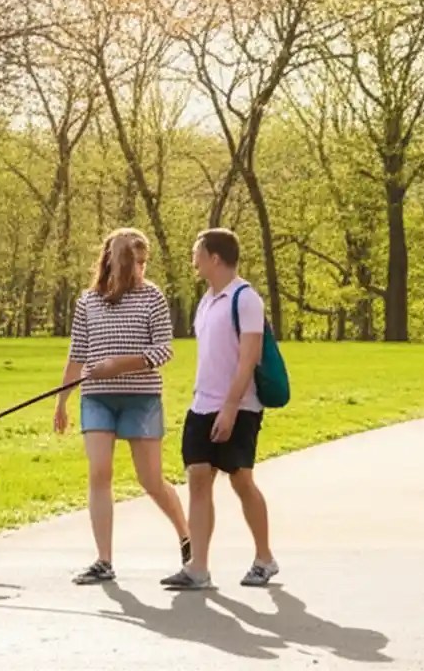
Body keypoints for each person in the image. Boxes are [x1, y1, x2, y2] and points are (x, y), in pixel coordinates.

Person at [53, 227, 192, 584]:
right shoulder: (88, 301)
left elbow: (163, 350)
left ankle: (187, 536)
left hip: (141, 398)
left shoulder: (152, 297)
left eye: (145, 263)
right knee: (99, 473)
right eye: (135, 262)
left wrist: (119, 364)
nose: (140, 270)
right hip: (96, 398)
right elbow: (77, 353)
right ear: (114, 261)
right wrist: (62, 401)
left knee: (151, 480)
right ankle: (104, 560)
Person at [161, 227, 278, 590]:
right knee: (198, 476)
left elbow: (248, 358)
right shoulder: (207, 300)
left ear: (214, 257)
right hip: (202, 404)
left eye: (197, 253)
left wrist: (229, 408)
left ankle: (264, 558)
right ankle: (198, 567)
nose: (193, 260)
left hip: (239, 406)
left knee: (241, 480)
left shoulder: (245, 299)